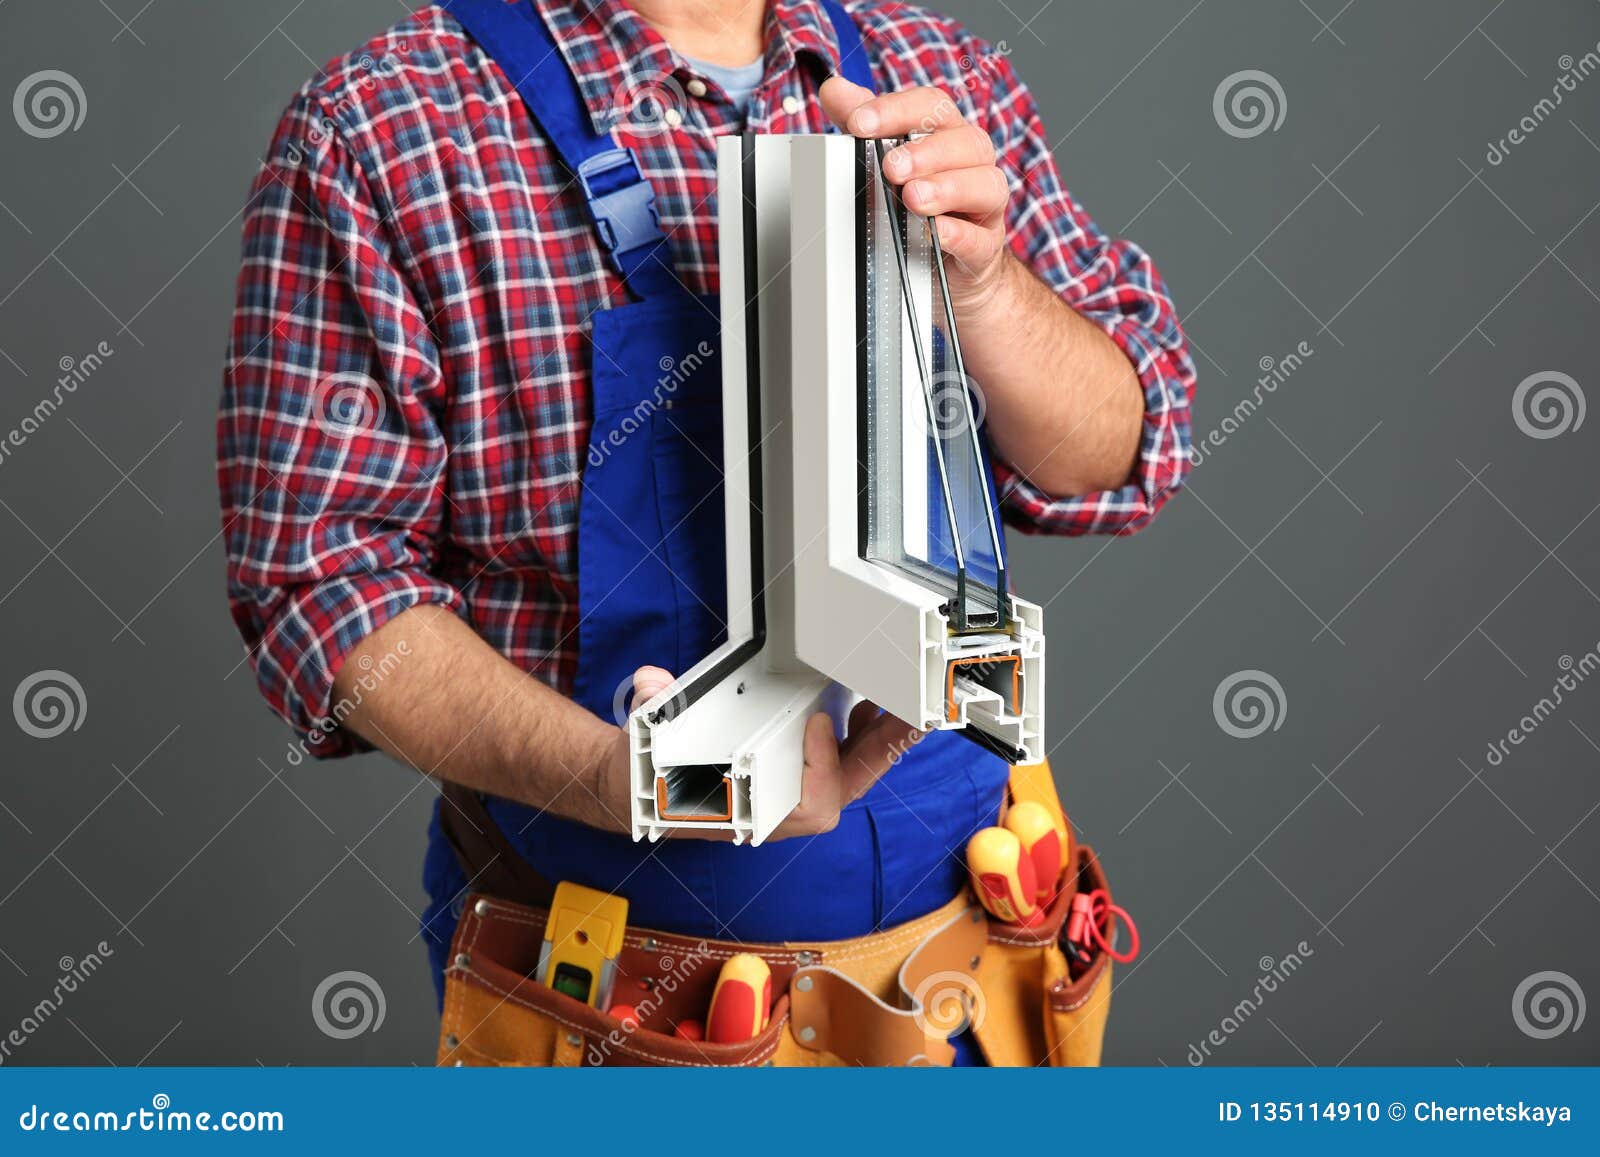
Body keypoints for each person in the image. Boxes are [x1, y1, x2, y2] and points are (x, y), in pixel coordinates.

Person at [218, 0, 1194, 1064]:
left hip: (974, 978)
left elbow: (1117, 454)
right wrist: (621, 778)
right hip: (617, 1006)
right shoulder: (384, 123)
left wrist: (988, 289)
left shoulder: (936, 70)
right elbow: (324, 588)